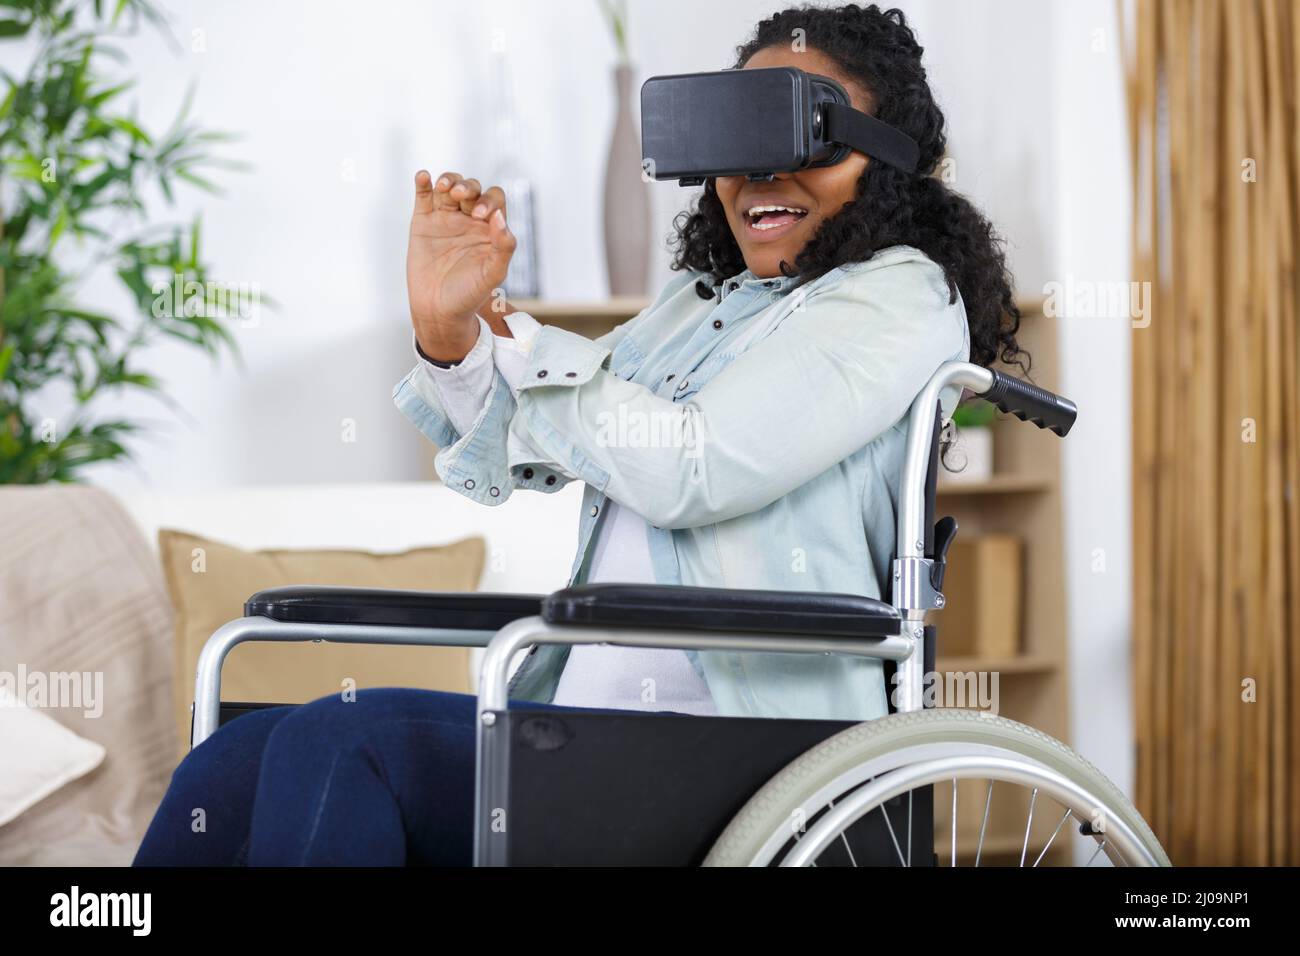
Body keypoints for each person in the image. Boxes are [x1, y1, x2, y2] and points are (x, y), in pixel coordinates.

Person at [135, 2, 1025, 866]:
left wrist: (520, 341)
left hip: (750, 744)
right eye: (738, 141)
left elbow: (694, 466)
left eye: (801, 136)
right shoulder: (701, 302)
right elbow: (545, 444)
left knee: (348, 741)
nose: (761, 172)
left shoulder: (900, 296)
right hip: (597, 726)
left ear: (888, 159)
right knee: (239, 756)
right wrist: (460, 332)